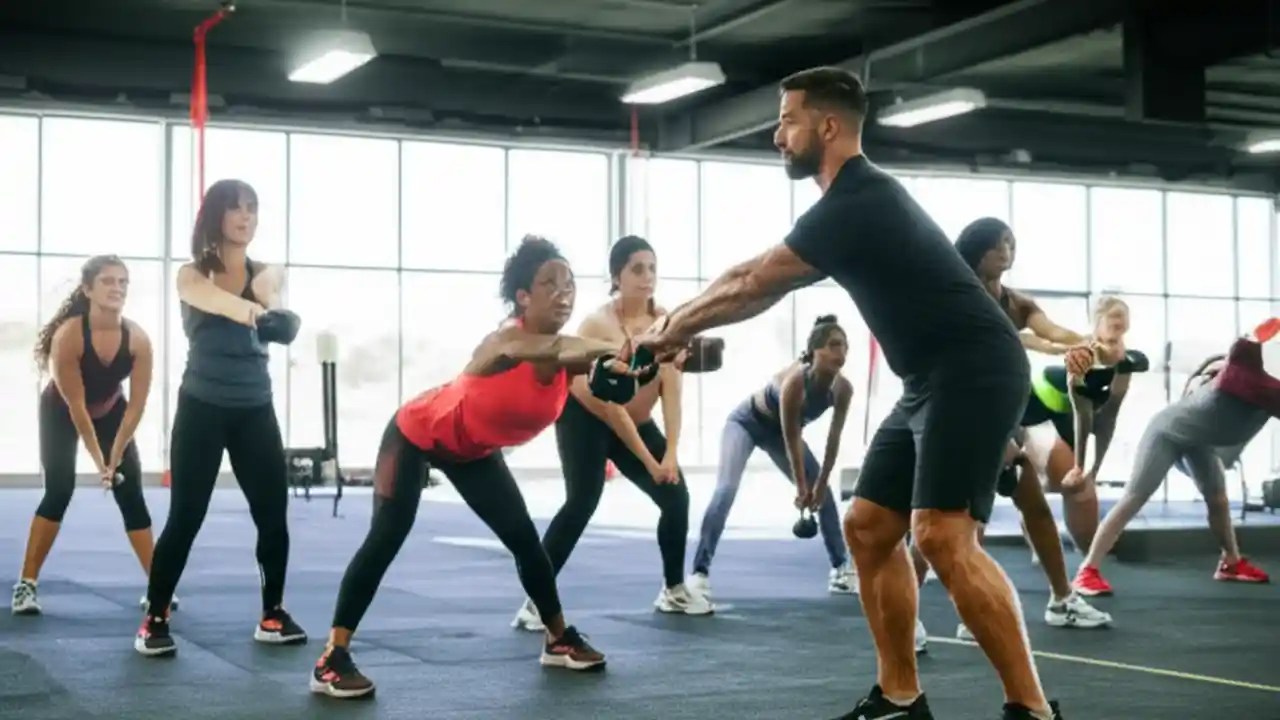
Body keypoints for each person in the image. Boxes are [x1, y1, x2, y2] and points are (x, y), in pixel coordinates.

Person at [638, 67, 1061, 720]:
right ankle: (899, 697)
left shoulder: (860, 200)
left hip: (974, 368)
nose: (778, 135)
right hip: (927, 381)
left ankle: (1032, 711)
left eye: (787, 120)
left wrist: (669, 330)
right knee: (868, 527)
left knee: (943, 537)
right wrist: (675, 329)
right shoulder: (847, 206)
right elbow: (753, 279)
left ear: (827, 126)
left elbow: (753, 281)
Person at [311, 236, 643, 699]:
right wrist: (606, 351)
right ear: (523, 296)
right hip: (414, 435)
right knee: (387, 535)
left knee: (526, 542)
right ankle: (332, 656)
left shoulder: (571, 354)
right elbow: (527, 349)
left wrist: (646, 352)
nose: (564, 292)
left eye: (569, 283)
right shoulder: (502, 340)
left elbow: (580, 351)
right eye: (550, 282)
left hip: (473, 452)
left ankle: (558, 637)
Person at [136, 179, 304, 657]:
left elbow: (271, 295)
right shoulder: (191, 276)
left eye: (253, 208)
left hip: (255, 409)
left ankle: (272, 613)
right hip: (203, 408)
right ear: (216, 216)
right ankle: (155, 617)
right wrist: (256, 316)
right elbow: (219, 303)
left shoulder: (266, 272)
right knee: (186, 516)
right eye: (236, 209)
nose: (246, 217)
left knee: (273, 516)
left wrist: (280, 314)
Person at [513, 236, 710, 634]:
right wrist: (649, 461)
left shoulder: (667, 322)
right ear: (616, 276)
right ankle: (536, 601)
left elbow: (672, 389)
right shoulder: (597, 325)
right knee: (582, 501)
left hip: (635, 420)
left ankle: (673, 588)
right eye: (637, 269)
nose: (647, 277)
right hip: (585, 416)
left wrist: (669, 454)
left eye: (652, 268)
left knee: (676, 496)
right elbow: (608, 404)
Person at [13, 255, 165, 616]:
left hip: (112, 410)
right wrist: (101, 465)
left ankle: (159, 587)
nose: (117, 288)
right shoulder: (68, 337)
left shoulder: (137, 339)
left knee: (132, 494)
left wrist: (116, 457)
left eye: (123, 282)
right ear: (88, 289)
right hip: (62, 411)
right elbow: (77, 408)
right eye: (108, 281)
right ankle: (27, 584)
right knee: (59, 490)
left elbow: (136, 407)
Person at [1073, 335, 1273, 595]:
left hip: (1198, 440)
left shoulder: (1267, 385)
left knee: (1218, 499)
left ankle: (1231, 562)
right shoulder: (1244, 375)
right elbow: (1245, 349)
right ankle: (1087, 571)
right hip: (1167, 433)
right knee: (1134, 498)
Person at [688, 314, 856, 598]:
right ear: (815, 351)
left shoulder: (843, 389)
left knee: (824, 493)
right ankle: (699, 572)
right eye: (833, 345)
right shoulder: (795, 383)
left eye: (844, 346)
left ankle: (841, 569)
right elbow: (792, 437)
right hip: (746, 423)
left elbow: (833, 440)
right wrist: (803, 489)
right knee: (726, 489)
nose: (841, 353)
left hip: (778, 434)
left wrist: (819, 485)